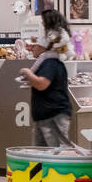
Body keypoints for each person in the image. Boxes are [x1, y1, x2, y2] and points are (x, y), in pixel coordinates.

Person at [21, 9, 73, 147]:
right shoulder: (48, 61)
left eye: (35, 46)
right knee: (42, 155)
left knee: (57, 155)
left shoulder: (50, 63)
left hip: (53, 116)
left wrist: (27, 73)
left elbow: (41, 84)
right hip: (45, 116)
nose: (33, 49)